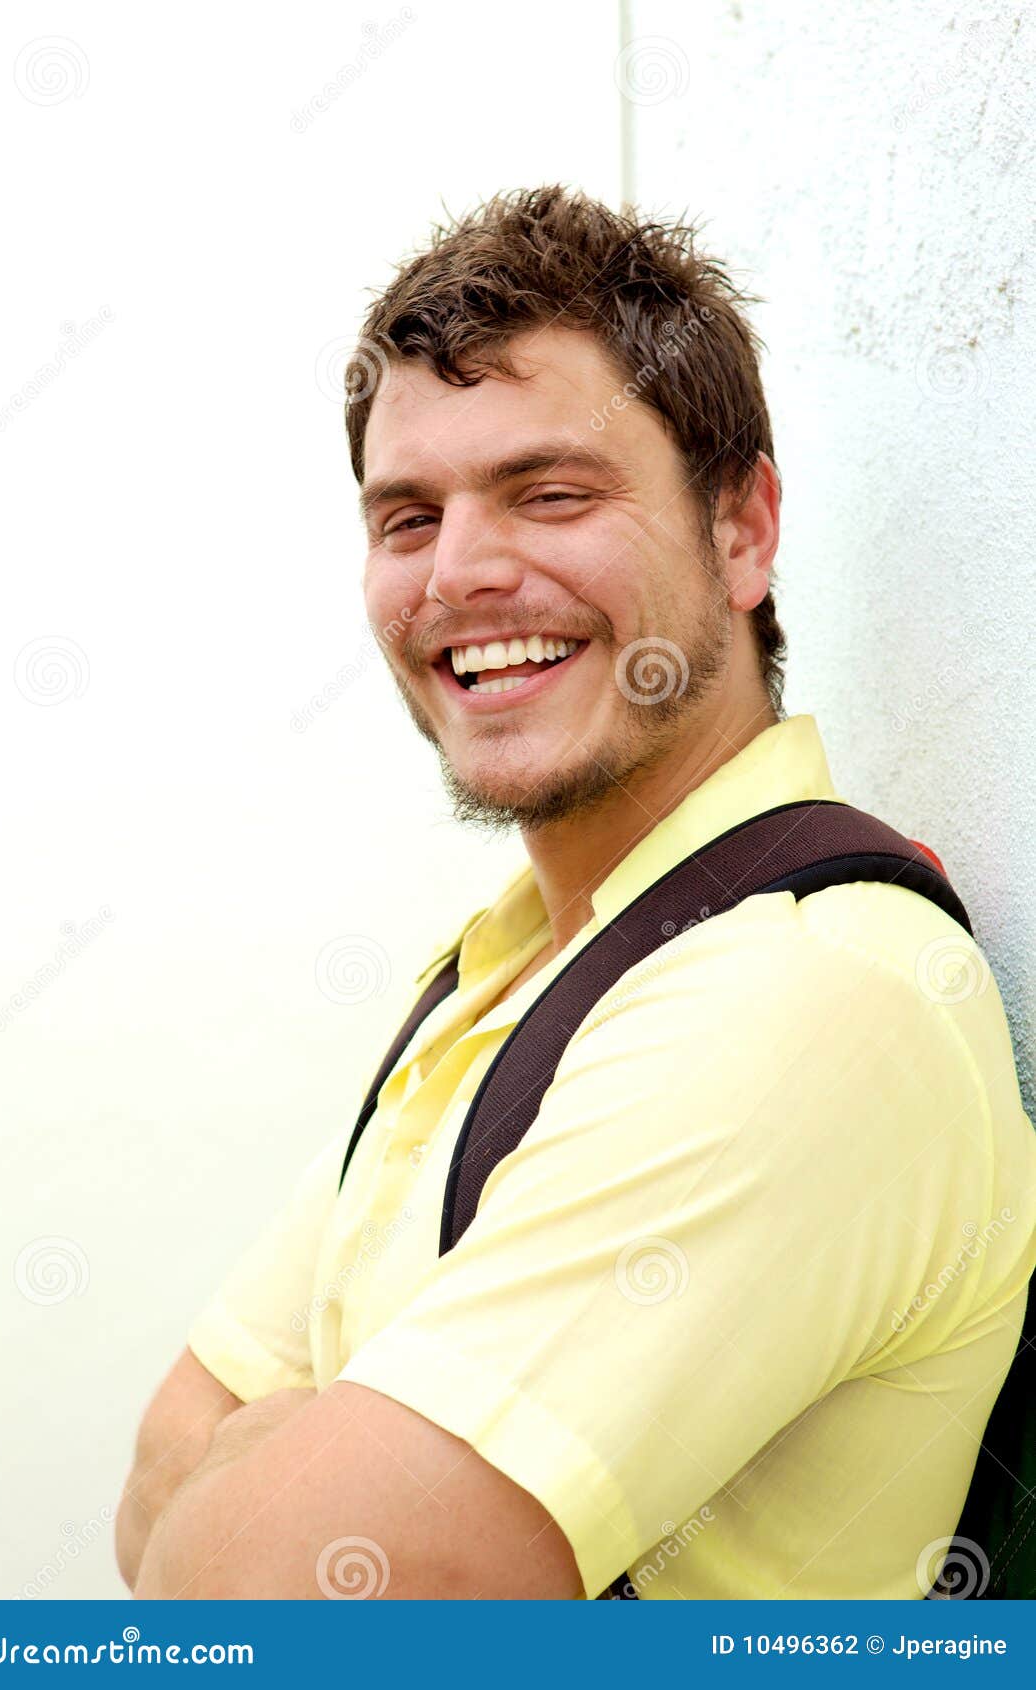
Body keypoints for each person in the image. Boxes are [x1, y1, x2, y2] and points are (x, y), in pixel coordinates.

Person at [117, 187, 1036, 1601]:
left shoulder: (805, 993)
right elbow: (154, 1486)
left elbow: (289, 1601)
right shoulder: (509, 969)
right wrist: (251, 1493)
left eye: (550, 492)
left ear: (741, 529)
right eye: (407, 515)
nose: (464, 573)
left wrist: (281, 1466)